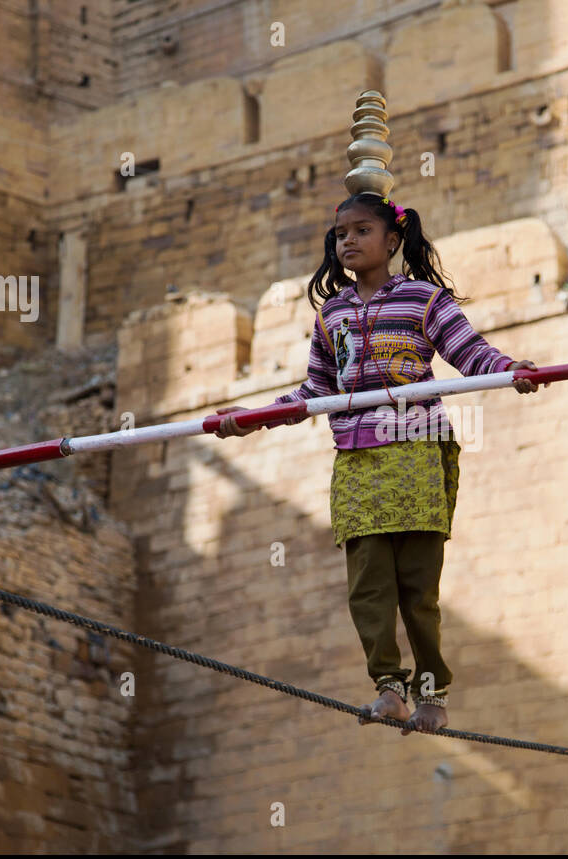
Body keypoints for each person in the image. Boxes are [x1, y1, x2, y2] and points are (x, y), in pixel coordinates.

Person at [215, 192, 546, 735]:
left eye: (361, 231)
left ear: (392, 240)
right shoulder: (332, 316)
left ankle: (432, 694)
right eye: (340, 233)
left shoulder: (424, 301)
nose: (348, 240)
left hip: (416, 450)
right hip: (358, 461)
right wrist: (254, 417)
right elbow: (313, 392)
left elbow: (471, 355)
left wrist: (510, 369)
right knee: (368, 584)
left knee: (417, 588)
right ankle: (389, 688)